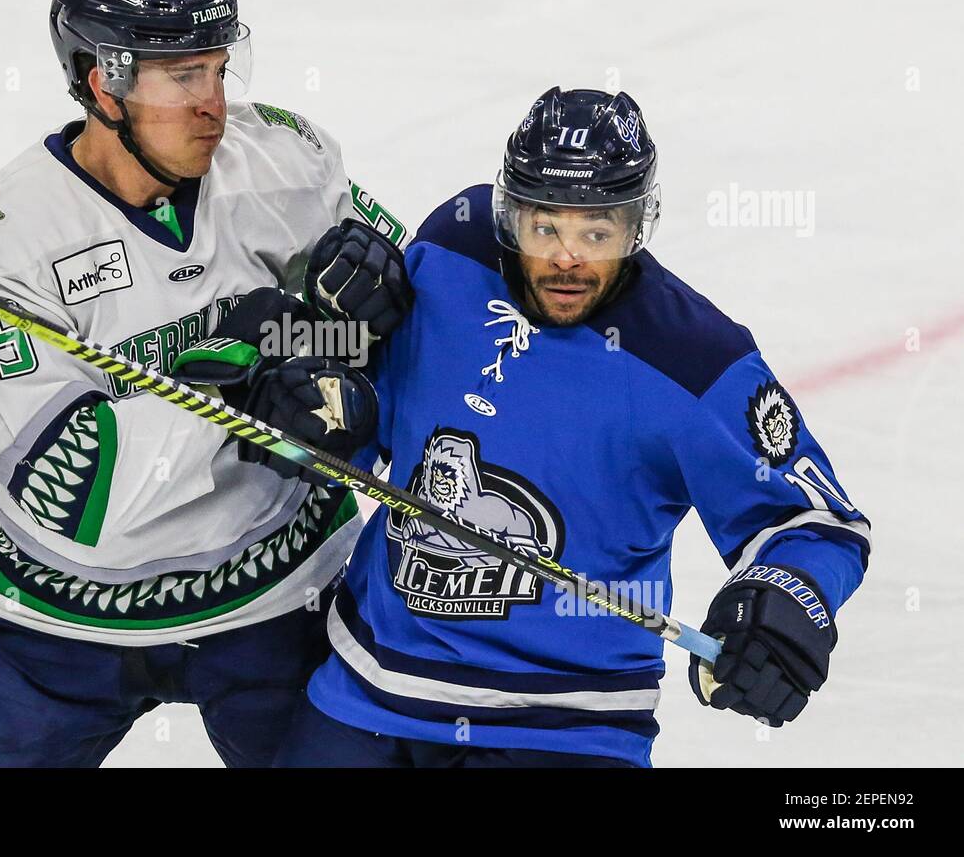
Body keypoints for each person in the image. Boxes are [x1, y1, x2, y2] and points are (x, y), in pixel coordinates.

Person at [0, 0, 410, 767]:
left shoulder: (286, 162)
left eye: (219, 69)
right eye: (183, 76)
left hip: (283, 597)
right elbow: (68, 483)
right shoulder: (9, 237)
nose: (215, 105)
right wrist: (243, 391)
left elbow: (395, 328)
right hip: (54, 625)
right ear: (104, 82)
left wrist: (373, 318)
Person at [262, 87, 871, 767]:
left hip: (565, 725)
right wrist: (322, 392)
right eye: (544, 227)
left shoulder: (694, 359)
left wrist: (781, 605)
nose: (567, 259)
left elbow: (821, 524)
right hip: (368, 689)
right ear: (507, 212)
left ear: (638, 226)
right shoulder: (451, 252)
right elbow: (368, 424)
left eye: (597, 232)